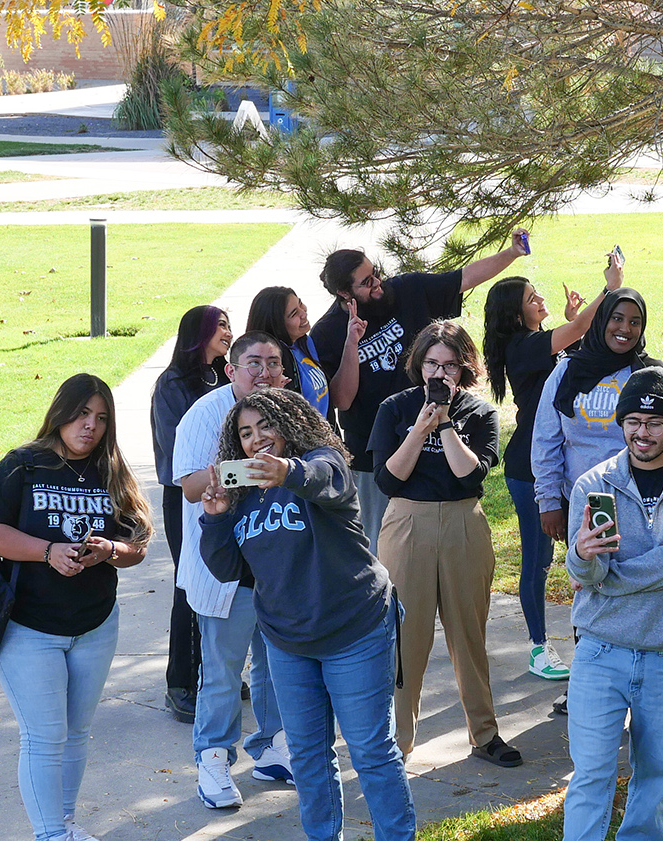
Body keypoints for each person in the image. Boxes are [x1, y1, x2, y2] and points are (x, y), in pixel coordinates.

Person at [198, 388, 416, 841]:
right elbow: (226, 568)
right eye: (245, 433)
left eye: (266, 426)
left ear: (290, 424)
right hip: (287, 641)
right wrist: (217, 516)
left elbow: (325, 476)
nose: (257, 439)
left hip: (355, 629)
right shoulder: (242, 493)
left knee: (371, 752)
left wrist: (286, 472)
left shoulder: (322, 460)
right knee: (307, 755)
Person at [0, 373, 153, 841]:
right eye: (81, 414)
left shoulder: (111, 469)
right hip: (27, 625)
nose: (90, 426)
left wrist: (108, 550)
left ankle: (65, 825)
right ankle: (51, 834)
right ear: (61, 413)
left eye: (101, 418)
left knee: (76, 732)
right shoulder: (23, 465)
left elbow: (138, 545)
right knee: (44, 735)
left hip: (95, 623)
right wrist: (47, 551)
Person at [562, 368, 663, 841]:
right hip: (599, 653)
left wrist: (608, 582)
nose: (642, 432)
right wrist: (583, 556)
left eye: (655, 422)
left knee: (654, 776)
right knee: (591, 775)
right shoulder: (594, 483)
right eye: (633, 420)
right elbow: (582, 574)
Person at [309, 234, 528, 549]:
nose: (378, 283)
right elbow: (342, 400)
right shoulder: (328, 332)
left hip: (438, 442)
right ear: (345, 293)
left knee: (439, 540)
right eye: (367, 282)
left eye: (376, 273)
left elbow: (463, 278)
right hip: (376, 455)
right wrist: (351, 343)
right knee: (383, 544)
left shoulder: (407, 290)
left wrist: (512, 253)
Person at [368, 320, 520, 765]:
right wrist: (419, 429)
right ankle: (397, 742)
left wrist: (447, 423)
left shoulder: (480, 413)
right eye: (432, 363)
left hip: (463, 526)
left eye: (450, 366)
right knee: (404, 640)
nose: (439, 374)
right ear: (418, 364)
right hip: (407, 524)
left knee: (468, 634)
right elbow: (387, 478)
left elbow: (470, 475)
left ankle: (484, 733)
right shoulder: (394, 408)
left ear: (464, 369)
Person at [483, 255, 624, 681]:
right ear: (515, 311)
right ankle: (538, 647)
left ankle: (594, 639)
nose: (539, 298)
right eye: (531, 297)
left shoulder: (537, 341)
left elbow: (577, 342)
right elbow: (581, 331)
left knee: (581, 554)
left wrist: (571, 319)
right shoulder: (522, 347)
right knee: (538, 557)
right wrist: (612, 287)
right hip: (531, 466)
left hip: (560, 462)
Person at [173, 332, 292, 808]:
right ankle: (213, 760)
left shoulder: (288, 410)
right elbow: (189, 486)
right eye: (254, 364)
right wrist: (247, 468)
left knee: (277, 664)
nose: (265, 372)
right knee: (222, 672)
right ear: (231, 370)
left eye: (274, 364)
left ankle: (274, 749)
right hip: (225, 570)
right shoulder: (204, 414)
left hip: (278, 570)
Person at [531, 286, 663, 714]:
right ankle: (586, 686)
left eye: (635, 321)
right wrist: (548, 499)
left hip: (638, 502)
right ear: (602, 318)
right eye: (617, 318)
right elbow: (546, 438)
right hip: (583, 503)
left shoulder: (648, 375)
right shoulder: (568, 370)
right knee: (587, 588)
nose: (624, 329)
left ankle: (635, 685)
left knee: (635, 591)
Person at [150, 305, 230, 723]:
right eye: (221, 326)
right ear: (198, 333)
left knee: (223, 578)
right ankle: (180, 682)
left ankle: (215, 670)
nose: (229, 333)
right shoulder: (171, 384)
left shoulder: (223, 375)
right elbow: (179, 444)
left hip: (225, 488)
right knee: (190, 583)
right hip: (184, 495)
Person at [245, 286, 331, 417]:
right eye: (294, 313)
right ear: (277, 325)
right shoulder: (275, 361)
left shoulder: (305, 342)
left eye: (300, 303)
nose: (303, 313)